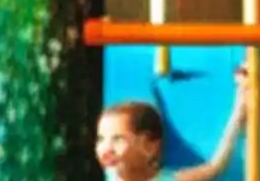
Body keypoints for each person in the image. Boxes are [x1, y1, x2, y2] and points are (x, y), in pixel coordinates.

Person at [96, 68, 247, 181]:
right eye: (101, 139)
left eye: (118, 139)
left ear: (148, 146)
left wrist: (239, 108)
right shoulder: (112, 174)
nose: (106, 149)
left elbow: (214, 167)